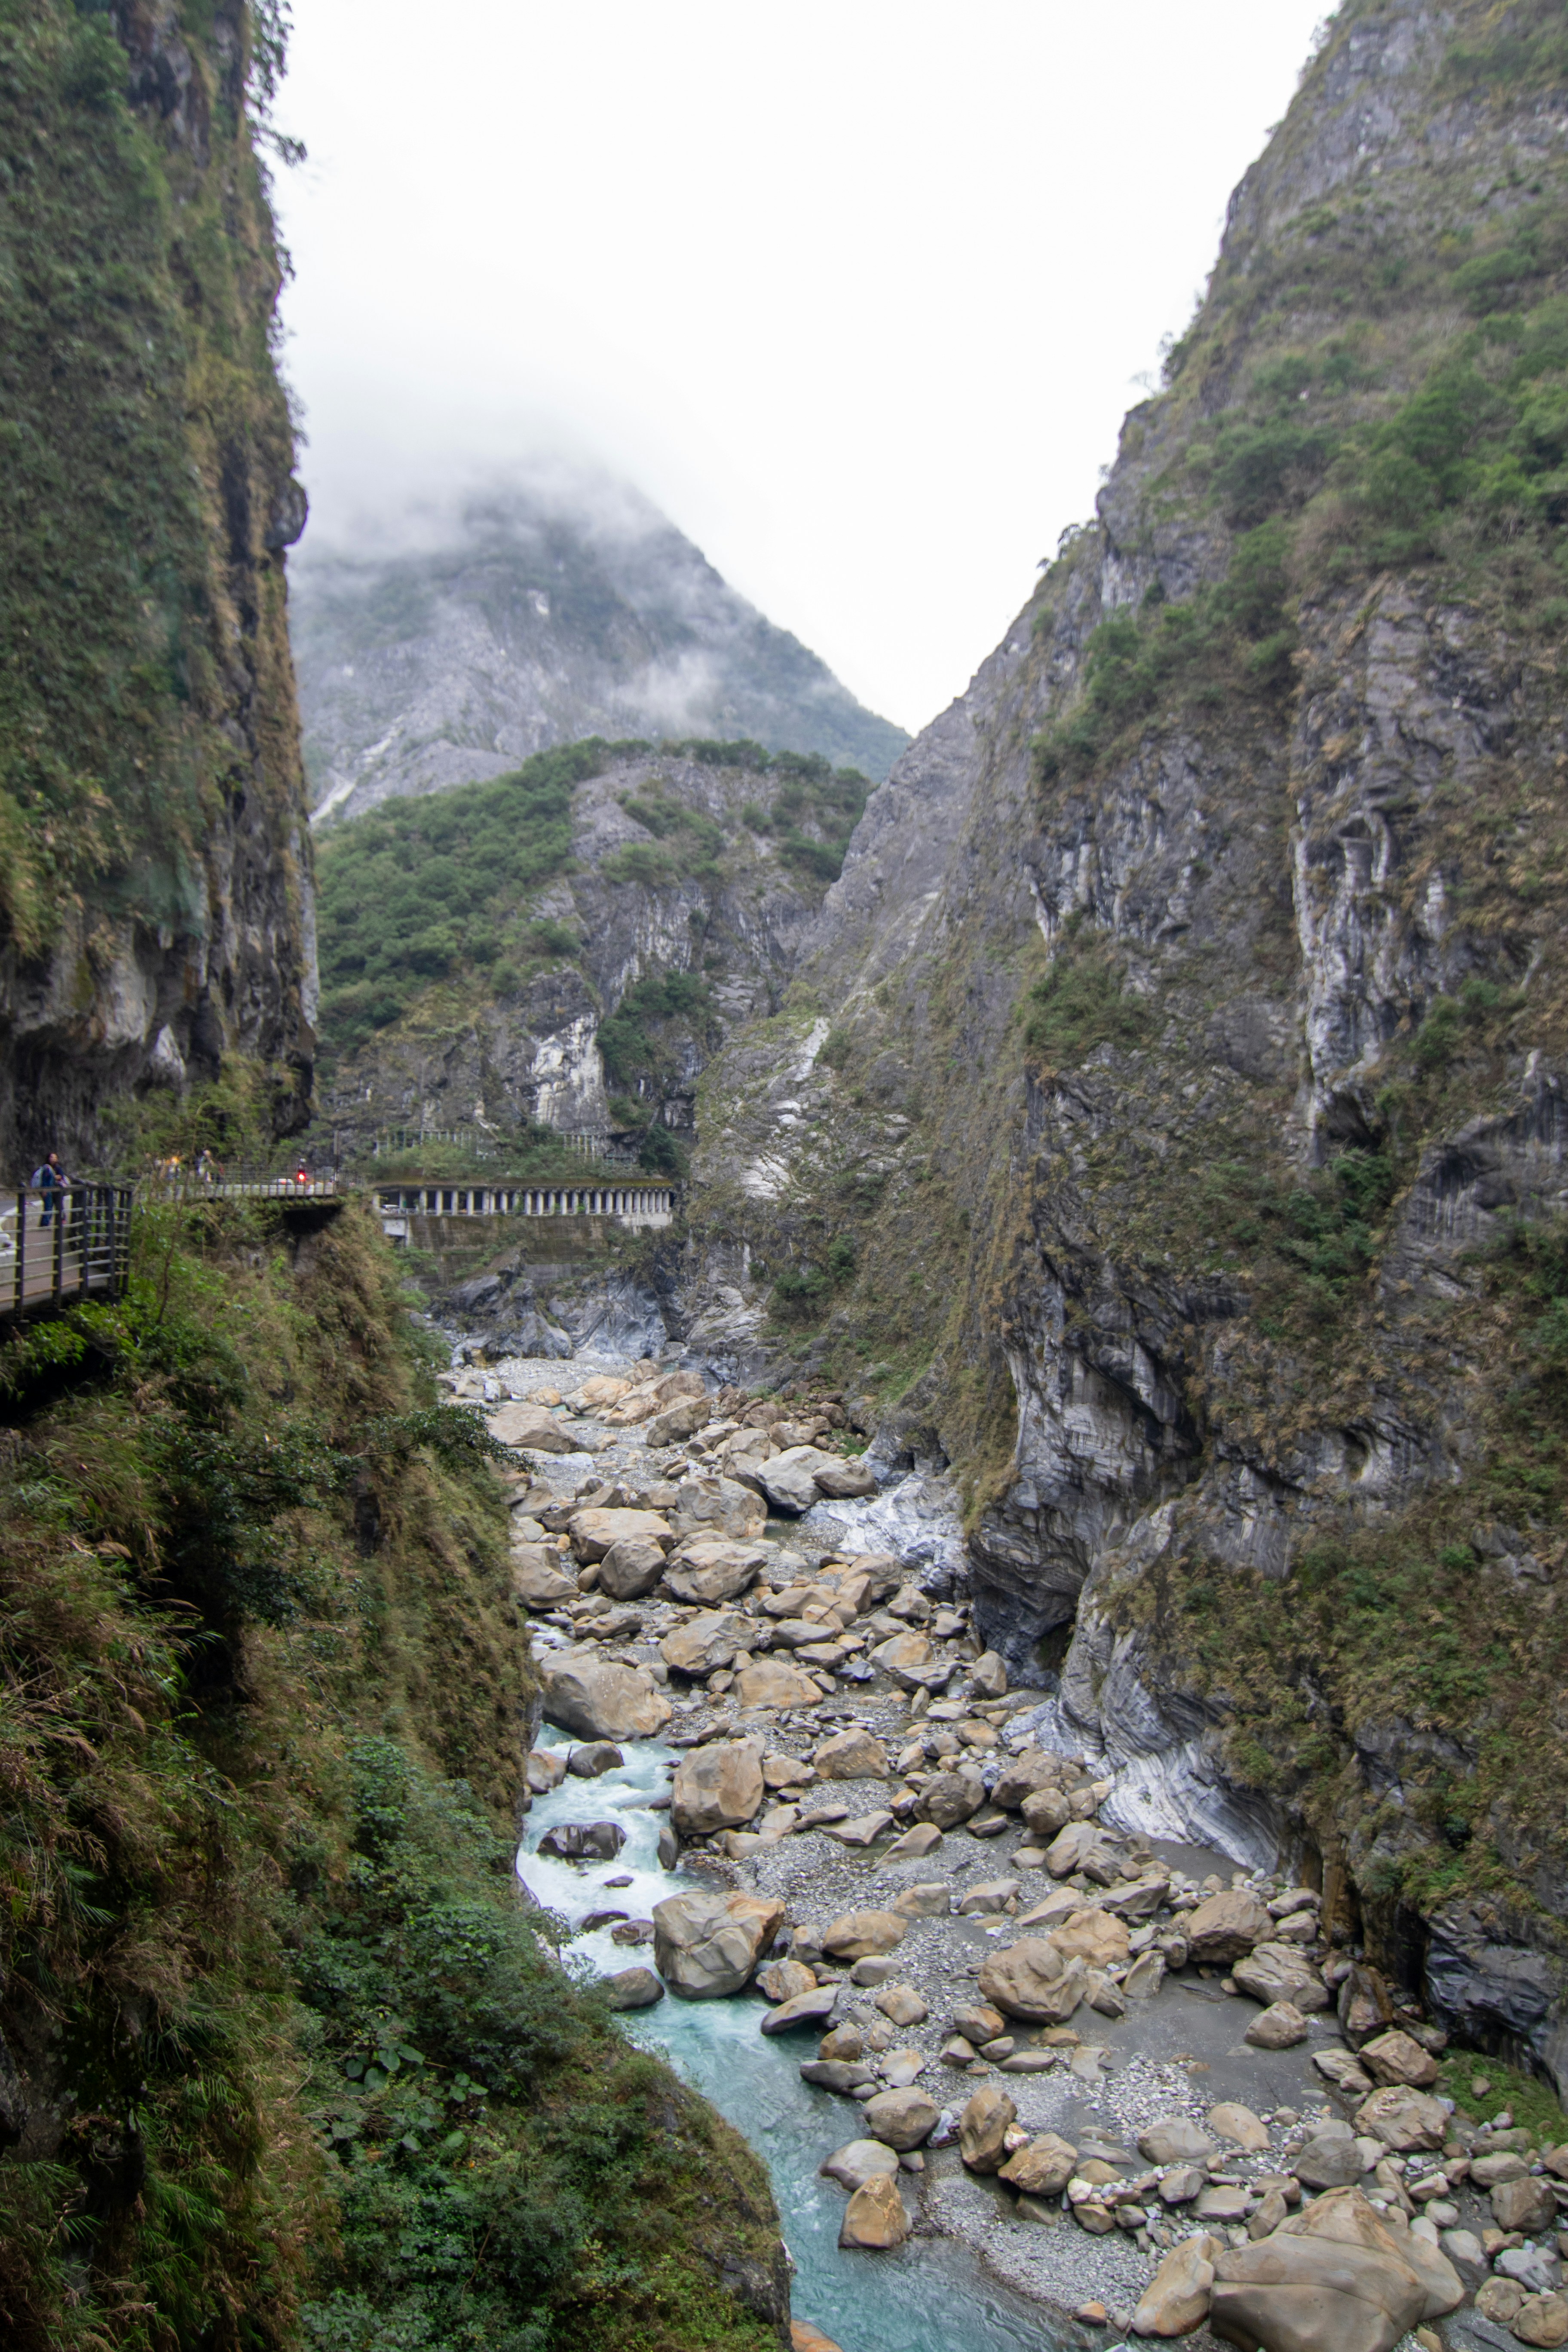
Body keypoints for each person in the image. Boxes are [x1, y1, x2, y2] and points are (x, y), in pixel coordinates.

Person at [30, 1149, 66, 1226]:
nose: (54, 1159)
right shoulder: (47, 1168)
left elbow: (61, 1177)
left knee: (55, 1206)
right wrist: (44, 1190)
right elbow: (45, 1181)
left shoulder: (58, 1168)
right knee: (48, 1207)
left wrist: (54, 1177)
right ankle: (44, 1224)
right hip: (47, 1191)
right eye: (52, 1157)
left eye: (55, 1158)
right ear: (49, 1158)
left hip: (55, 1191)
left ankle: (50, 1223)